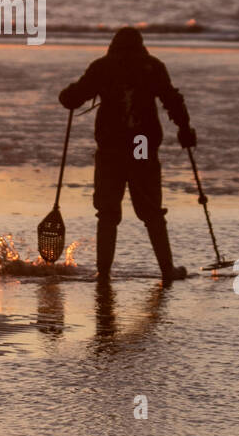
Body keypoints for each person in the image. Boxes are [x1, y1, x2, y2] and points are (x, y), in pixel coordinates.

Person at [59, 27, 195, 287]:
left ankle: (104, 273)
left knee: (108, 212)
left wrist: (67, 95)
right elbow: (172, 100)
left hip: (112, 146)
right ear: (141, 45)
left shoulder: (102, 66)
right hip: (141, 145)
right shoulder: (152, 66)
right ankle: (167, 270)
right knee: (151, 210)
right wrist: (184, 128)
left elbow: (73, 97)